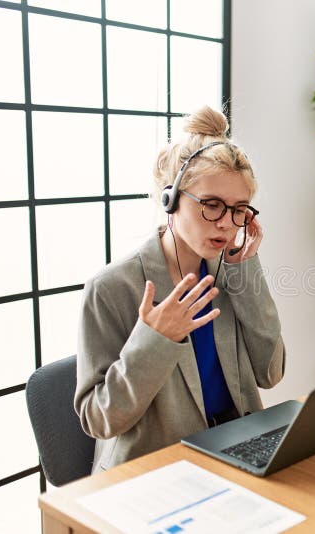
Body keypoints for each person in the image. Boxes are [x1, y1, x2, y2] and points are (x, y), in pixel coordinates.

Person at [75, 106, 285, 471]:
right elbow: (98, 420)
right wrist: (154, 341)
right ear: (170, 201)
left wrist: (246, 275)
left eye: (239, 210)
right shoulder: (111, 288)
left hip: (233, 453)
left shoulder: (230, 270)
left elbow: (271, 374)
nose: (226, 224)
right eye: (212, 205)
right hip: (154, 472)